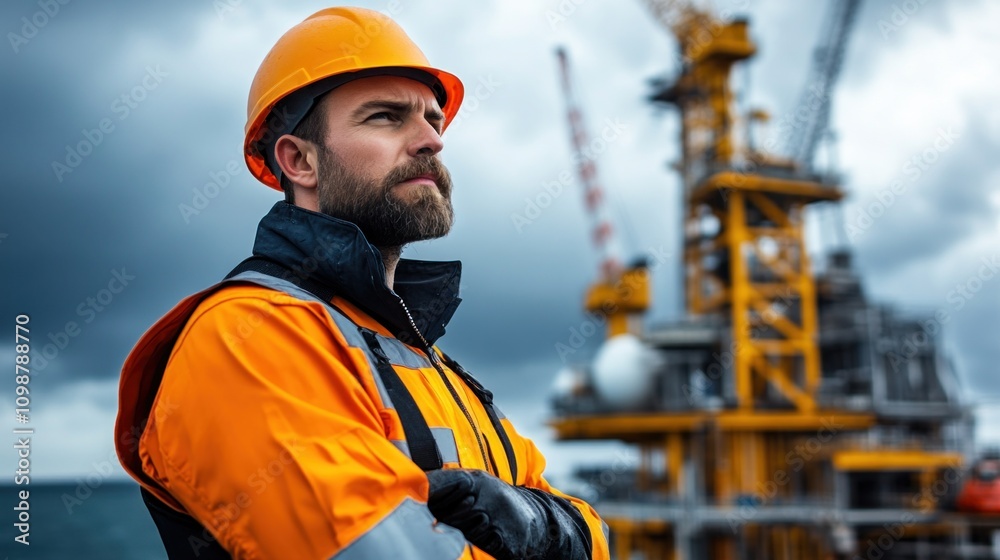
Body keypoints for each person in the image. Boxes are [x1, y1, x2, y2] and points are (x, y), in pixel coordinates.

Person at [114, 6, 610, 560]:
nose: (431, 140)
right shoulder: (248, 337)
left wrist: (540, 524)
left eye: (433, 120)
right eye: (386, 117)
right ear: (299, 161)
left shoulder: (433, 366)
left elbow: (594, 532)